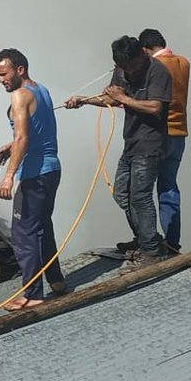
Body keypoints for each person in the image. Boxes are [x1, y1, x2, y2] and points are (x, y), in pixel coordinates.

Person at [66, 36, 172, 270]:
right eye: (122, 68)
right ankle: (146, 240)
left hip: (150, 143)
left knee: (140, 197)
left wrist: (123, 98)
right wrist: (84, 101)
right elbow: (111, 97)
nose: (126, 72)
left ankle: (152, 252)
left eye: (130, 67)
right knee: (122, 194)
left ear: (141, 55)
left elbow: (155, 107)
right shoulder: (123, 69)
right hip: (131, 141)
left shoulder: (158, 72)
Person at [0, 49, 67, 310]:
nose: (1, 80)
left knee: (24, 233)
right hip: (51, 169)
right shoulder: (41, 89)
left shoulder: (19, 95)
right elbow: (36, 131)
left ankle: (33, 294)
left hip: (35, 174)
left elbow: (24, 138)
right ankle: (56, 281)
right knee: (42, 228)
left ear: (19, 70)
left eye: (4, 74)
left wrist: (8, 176)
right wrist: (9, 145)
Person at [139, 28, 189, 253]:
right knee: (168, 186)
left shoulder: (153, 67)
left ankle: (148, 240)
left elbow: (139, 98)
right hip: (179, 133)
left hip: (158, 135)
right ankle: (172, 240)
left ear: (144, 50)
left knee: (141, 190)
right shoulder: (184, 63)